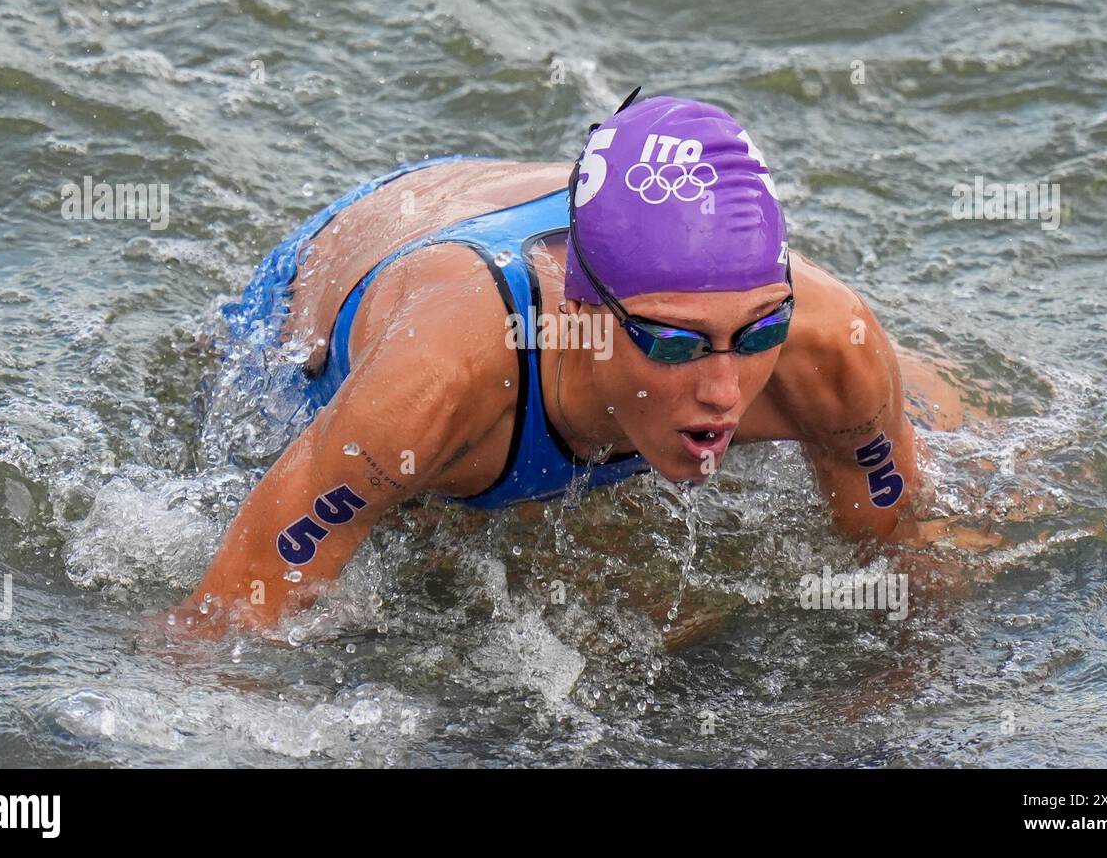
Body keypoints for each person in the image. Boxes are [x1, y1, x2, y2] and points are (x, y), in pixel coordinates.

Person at [176, 88, 988, 635]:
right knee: (438, 534)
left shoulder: (825, 343)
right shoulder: (435, 381)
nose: (723, 390)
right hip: (351, 273)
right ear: (584, 315)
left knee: (957, 435)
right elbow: (218, 630)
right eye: (672, 342)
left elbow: (903, 557)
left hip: (591, 257)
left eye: (755, 333)